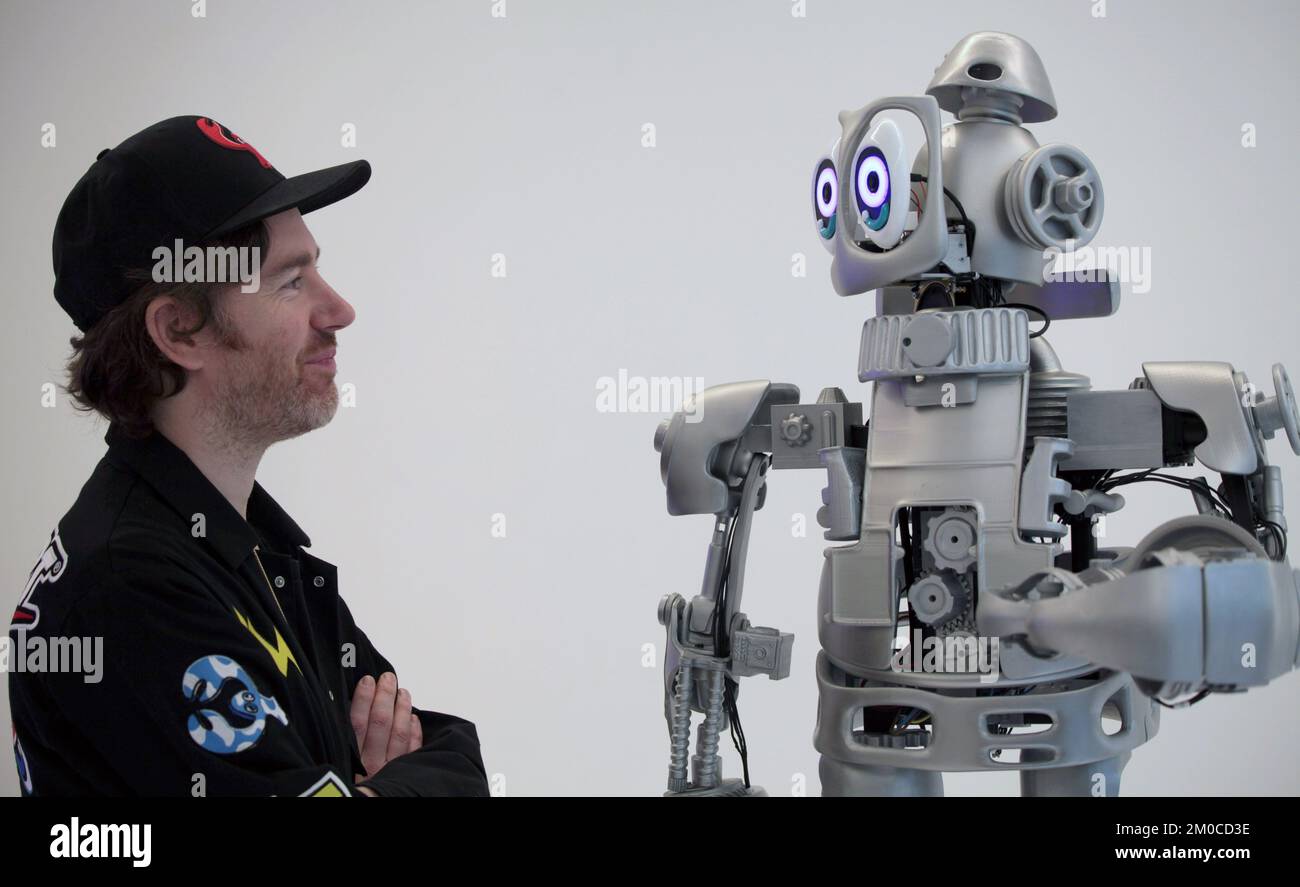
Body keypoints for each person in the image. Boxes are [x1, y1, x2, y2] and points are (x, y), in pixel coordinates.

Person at [8, 115, 487, 797]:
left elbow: (450, 748)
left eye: (316, 268)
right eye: (291, 281)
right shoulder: (128, 585)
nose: (340, 309)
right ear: (180, 330)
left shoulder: (245, 542)